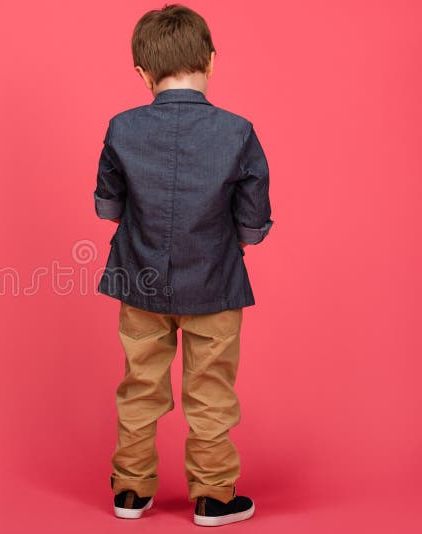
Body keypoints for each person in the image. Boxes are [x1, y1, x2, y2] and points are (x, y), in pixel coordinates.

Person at [93, 4, 273, 526]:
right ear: (211, 61)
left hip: (138, 279)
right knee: (211, 391)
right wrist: (234, 240)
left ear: (142, 73)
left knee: (139, 386)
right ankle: (215, 496)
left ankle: (130, 490)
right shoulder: (238, 131)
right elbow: (253, 220)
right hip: (215, 284)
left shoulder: (122, 128)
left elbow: (108, 205)